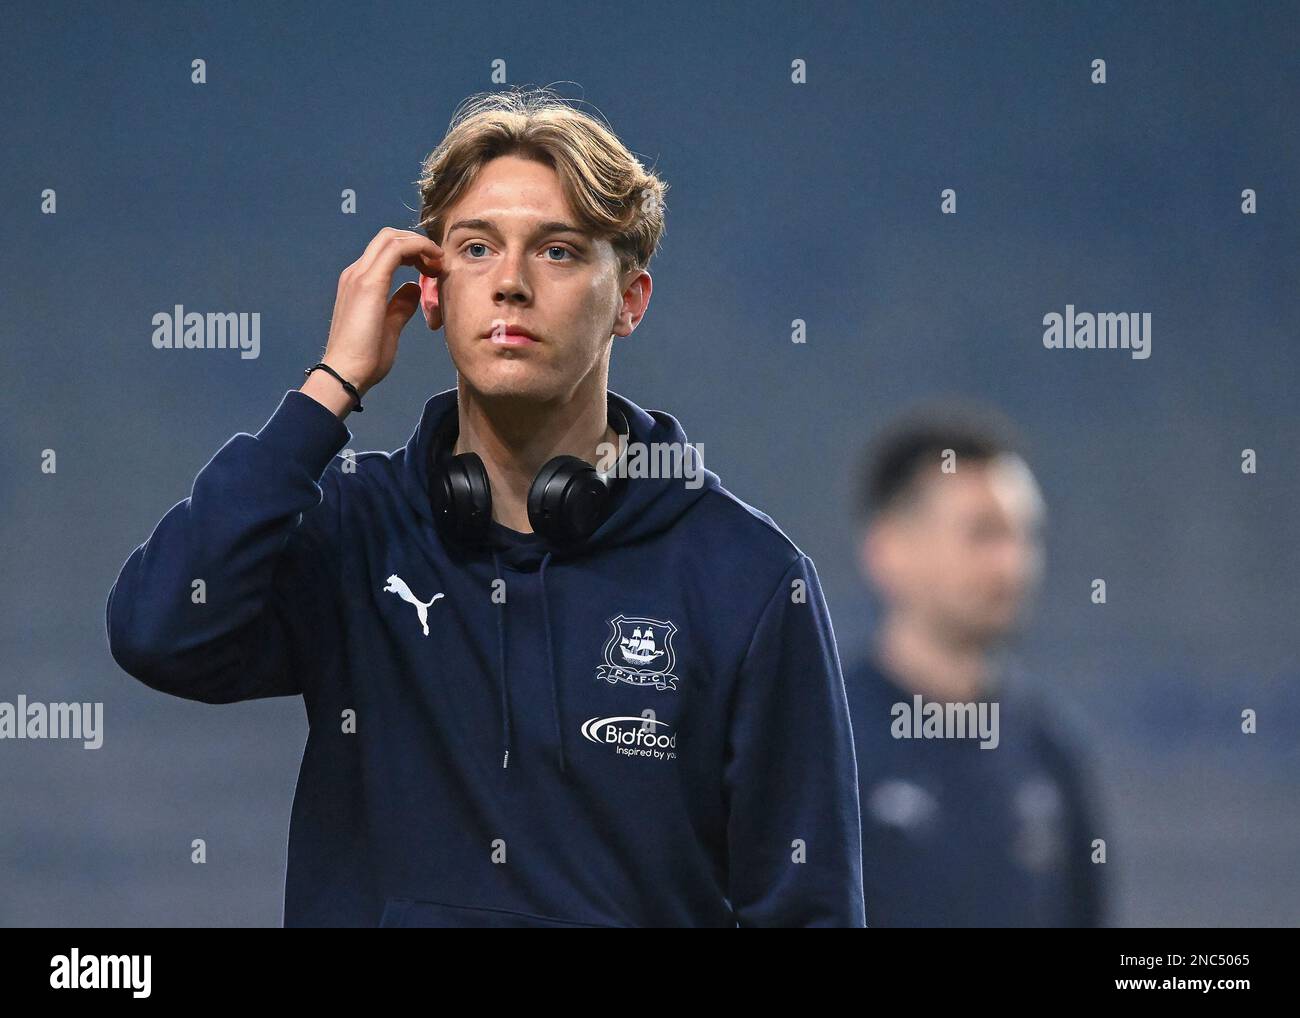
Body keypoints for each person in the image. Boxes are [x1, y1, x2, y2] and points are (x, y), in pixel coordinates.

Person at [105, 87, 865, 928]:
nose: (510, 283)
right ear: (429, 294)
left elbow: (808, 908)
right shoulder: (355, 530)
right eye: (474, 248)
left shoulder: (749, 578)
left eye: (560, 252)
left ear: (631, 301)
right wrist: (330, 387)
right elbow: (158, 631)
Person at [844, 401, 1107, 927]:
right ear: (888, 550)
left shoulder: (1050, 751)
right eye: (983, 533)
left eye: (1024, 535)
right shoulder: (822, 738)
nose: (1010, 563)